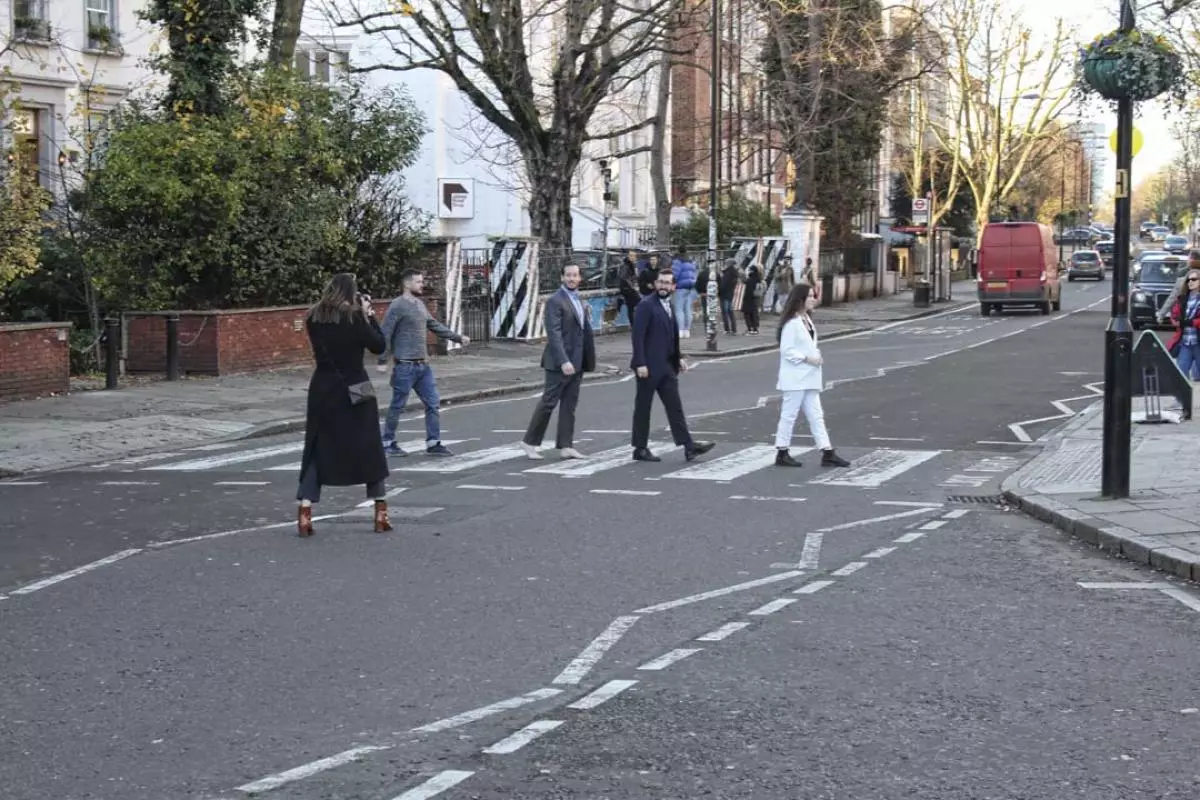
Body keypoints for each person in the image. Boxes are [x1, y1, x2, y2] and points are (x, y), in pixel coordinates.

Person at [297, 273, 393, 536]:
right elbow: (378, 345)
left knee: (317, 446)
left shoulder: (313, 316)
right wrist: (369, 314)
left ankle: (305, 511)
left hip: (323, 386)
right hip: (357, 384)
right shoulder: (354, 317)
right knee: (369, 444)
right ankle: (380, 511)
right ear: (351, 292)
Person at [378, 269, 469, 457]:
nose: (422, 285)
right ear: (407, 284)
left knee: (433, 403)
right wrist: (382, 359)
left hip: (423, 366)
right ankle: (388, 442)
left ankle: (433, 443)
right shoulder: (397, 305)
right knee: (397, 405)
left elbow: (434, 325)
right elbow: (385, 333)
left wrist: (458, 338)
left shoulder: (420, 305)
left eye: (421, 281)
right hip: (405, 365)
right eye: (418, 282)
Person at [630, 269, 716, 463]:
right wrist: (640, 363)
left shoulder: (669, 305)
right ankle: (640, 448)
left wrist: (678, 358)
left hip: (667, 367)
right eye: (661, 282)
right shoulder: (646, 305)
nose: (663, 286)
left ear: (673, 287)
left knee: (675, 408)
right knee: (643, 408)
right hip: (648, 368)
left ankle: (688, 446)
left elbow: (670, 338)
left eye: (667, 283)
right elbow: (638, 337)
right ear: (655, 283)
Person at [521, 264, 596, 459]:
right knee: (548, 402)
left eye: (575, 275)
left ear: (580, 278)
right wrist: (564, 360)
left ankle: (566, 445)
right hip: (559, 362)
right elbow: (553, 333)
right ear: (562, 278)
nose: (572, 278)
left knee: (569, 405)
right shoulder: (556, 300)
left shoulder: (579, 299)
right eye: (568, 275)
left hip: (577, 361)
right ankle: (529, 442)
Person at [772, 283, 850, 469]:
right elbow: (787, 350)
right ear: (800, 300)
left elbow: (807, 344)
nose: (814, 299)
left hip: (809, 377)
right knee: (789, 415)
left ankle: (827, 452)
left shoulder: (806, 319)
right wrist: (808, 358)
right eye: (810, 296)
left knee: (816, 415)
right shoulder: (791, 323)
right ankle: (782, 452)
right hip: (796, 377)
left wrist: (815, 356)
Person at [1166, 268, 1200, 380]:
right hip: (1186, 342)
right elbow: (1174, 314)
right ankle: (1182, 397)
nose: (1190, 282)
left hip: (1198, 342)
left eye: (1194, 279)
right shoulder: (1182, 298)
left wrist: (1190, 322)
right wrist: (1175, 320)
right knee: (1180, 377)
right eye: (1188, 280)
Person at [670, 247, 699, 337]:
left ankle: (680, 330)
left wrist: (672, 283)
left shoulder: (677, 262)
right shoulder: (691, 262)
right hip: (690, 288)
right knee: (688, 310)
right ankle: (687, 330)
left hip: (680, 288)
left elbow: (675, 274)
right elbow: (694, 275)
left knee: (679, 310)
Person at [718, 257, 740, 334]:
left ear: (728, 264)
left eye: (725, 264)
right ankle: (734, 329)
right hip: (730, 294)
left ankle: (727, 329)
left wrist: (719, 292)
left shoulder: (727, 273)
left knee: (725, 312)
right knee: (730, 312)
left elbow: (723, 285)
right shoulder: (734, 273)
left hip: (724, 295)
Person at [742, 264, 762, 335]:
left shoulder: (750, 280)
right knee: (754, 314)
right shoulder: (758, 279)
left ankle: (750, 329)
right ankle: (755, 328)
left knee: (747, 314)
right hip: (756, 299)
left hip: (748, 299)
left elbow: (748, 290)